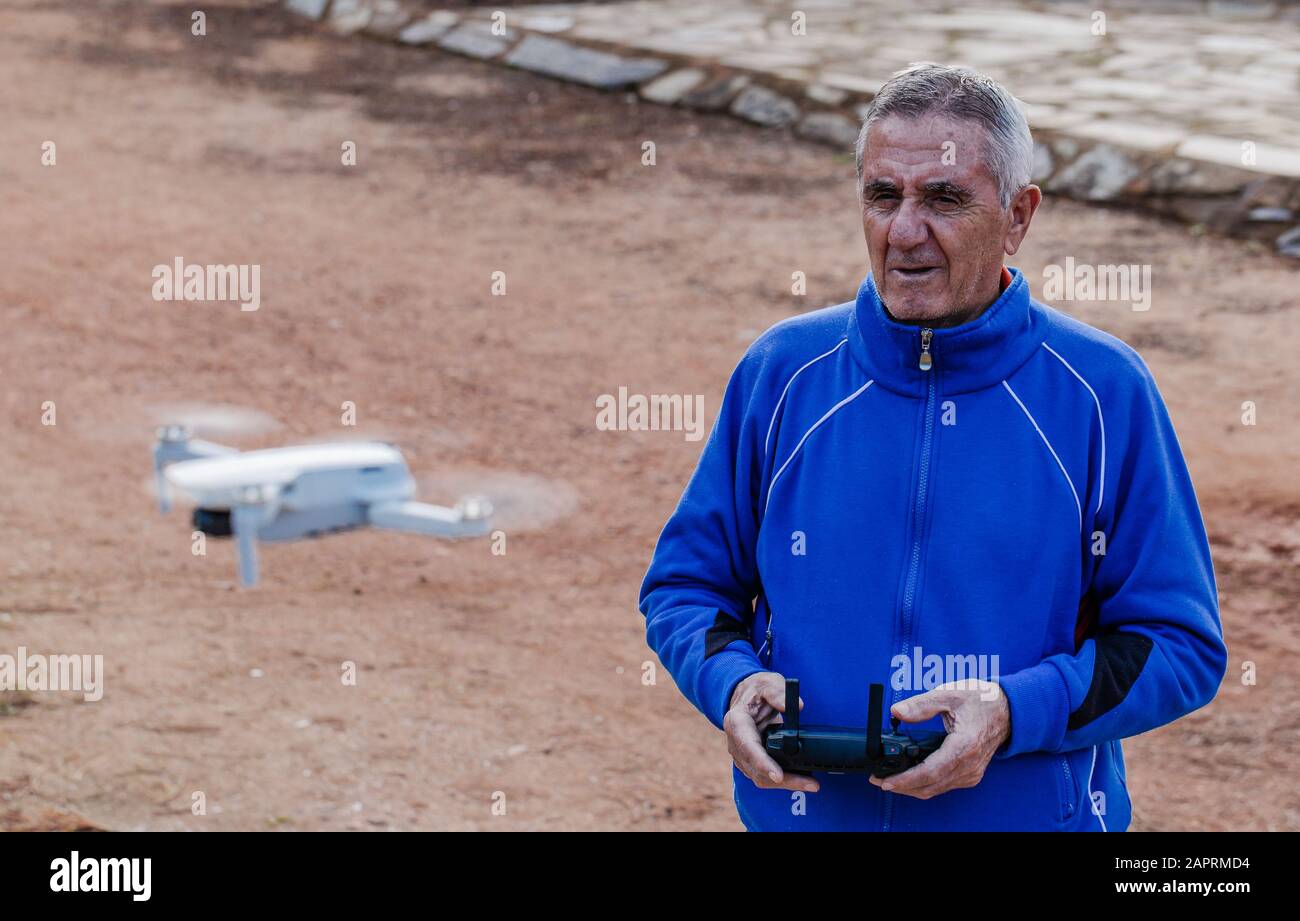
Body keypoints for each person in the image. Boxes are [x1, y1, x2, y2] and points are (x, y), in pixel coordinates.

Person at [638, 63, 1227, 831]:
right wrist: (728, 680)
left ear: (1018, 215)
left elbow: (1179, 643)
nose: (904, 230)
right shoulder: (782, 372)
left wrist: (1016, 709)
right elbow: (685, 587)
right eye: (884, 195)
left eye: (945, 198)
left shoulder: (1103, 392)